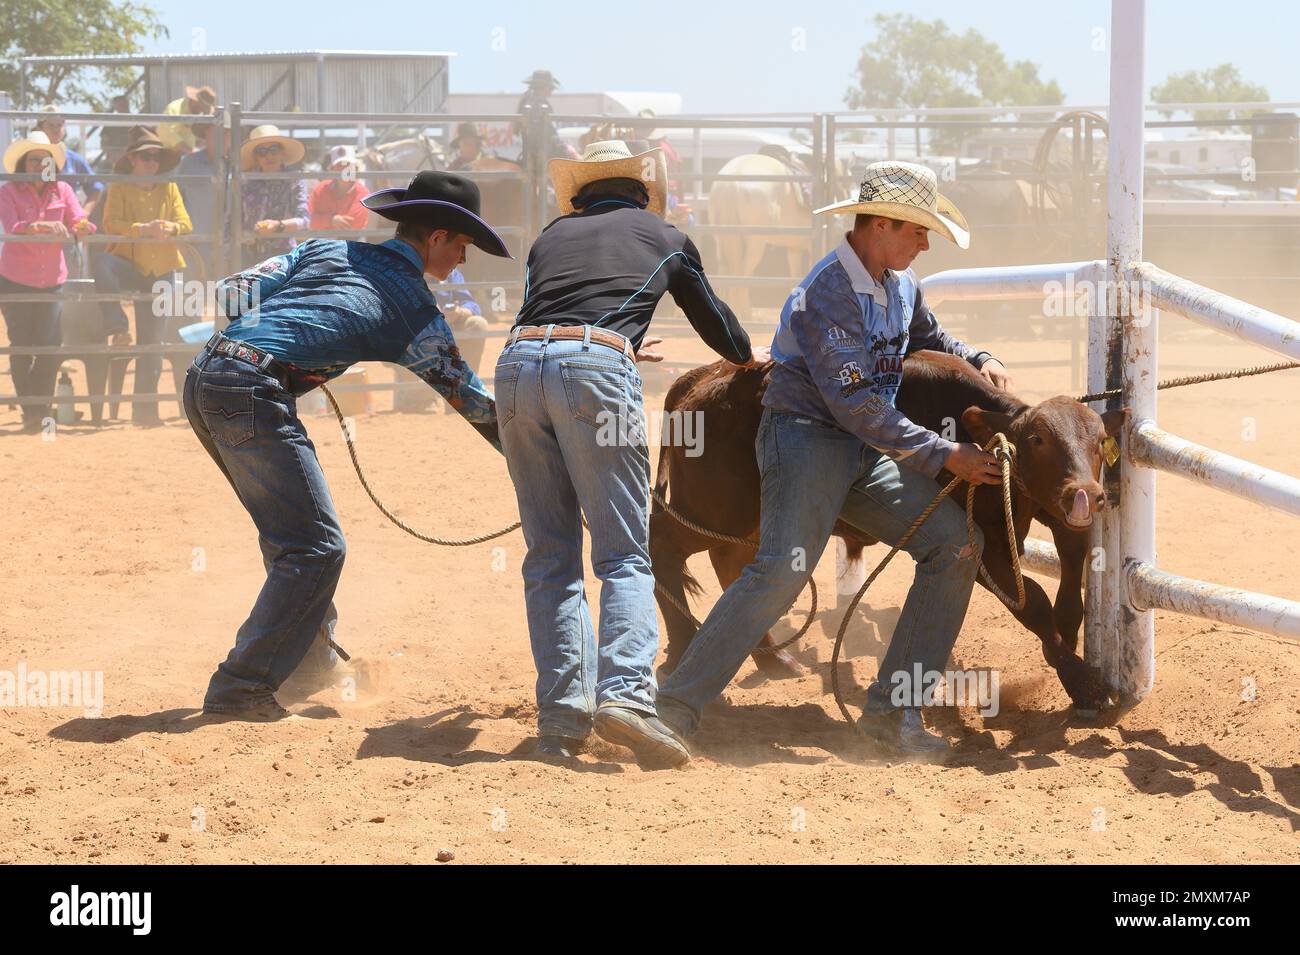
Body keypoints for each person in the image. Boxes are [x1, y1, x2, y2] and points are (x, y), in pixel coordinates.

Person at [656, 161, 1016, 760]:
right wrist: (944, 453)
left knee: (957, 545)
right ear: (881, 224)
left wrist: (981, 356)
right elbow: (855, 402)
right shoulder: (828, 291)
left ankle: (893, 713)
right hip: (803, 440)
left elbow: (931, 338)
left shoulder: (899, 285)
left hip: (856, 448)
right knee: (780, 570)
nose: (926, 243)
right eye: (919, 230)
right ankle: (674, 705)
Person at [185, 170, 511, 721]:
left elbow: (232, 291)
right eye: (461, 245)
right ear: (435, 238)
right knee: (316, 547)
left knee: (294, 537)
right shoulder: (414, 311)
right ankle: (241, 686)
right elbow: (476, 406)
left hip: (208, 375)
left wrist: (283, 333)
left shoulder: (323, 248)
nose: (463, 258)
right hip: (255, 391)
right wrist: (544, 457)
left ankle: (310, 664)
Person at [496, 140, 762, 767]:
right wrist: (747, 357)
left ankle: (561, 718)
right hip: (595, 369)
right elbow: (715, 321)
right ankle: (626, 697)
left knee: (549, 555)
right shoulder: (663, 234)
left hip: (516, 366)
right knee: (623, 554)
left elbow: (547, 310)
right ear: (641, 193)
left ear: (582, 193)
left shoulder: (549, 237)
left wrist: (602, 346)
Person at [93, 126, 191, 427]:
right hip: (129, 262)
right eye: (145, 156)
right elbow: (110, 223)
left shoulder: (170, 188)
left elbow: (185, 223)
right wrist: (142, 229)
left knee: (153, 341)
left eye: (156, 156)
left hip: (161, 267)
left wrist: (170, 228)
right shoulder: (118, 188)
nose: (151, 161)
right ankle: (117, 326)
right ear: (132, 160)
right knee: (102, 263)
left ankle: (145, 411)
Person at [0, 132, 95, 432]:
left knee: (50, 345)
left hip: (52, 279)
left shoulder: (63, 189)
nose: (41, 163)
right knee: (22, 344)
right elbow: (12, 225)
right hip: (15, 279)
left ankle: (39, 409)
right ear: (23, 164)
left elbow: (79, 219)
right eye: (34, 159)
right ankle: (32, 410)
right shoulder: (8, 192)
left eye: (46, 159)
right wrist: (41, 225)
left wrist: (82, 226)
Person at [239, 124, 309, 267]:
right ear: (256, 157)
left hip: (283, 254)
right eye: (262, 151)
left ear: (282, 152)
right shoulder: (245, 181)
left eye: (273, 149)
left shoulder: (294, 179)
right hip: (248, 254)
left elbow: (305, 220)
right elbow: (232, 220)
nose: (268, 156)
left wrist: (279, 226)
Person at [35, 106, 104, 223]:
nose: (56, 129)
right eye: (51, 125)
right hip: (39, 221)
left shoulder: (74, 159)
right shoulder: (31, 158)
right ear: (40, 129)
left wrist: (83, 214)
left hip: (67, 225)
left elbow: (95, 189)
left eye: (59, 125)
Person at [308, 145, 369, 231]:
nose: (344, 169)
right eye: (339, 165)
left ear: (355, 168)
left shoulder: (363, 192)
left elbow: (355, 224)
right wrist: (331, 220)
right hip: (323, 241)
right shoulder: (320, 189)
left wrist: (323, 220)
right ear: (332, 169)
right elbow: (309, 220)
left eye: (348, 164)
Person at [159, 85, 217, 154]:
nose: (201, 111)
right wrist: (189, 150)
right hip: (169, 154)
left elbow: (194, 138)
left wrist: (205, 143)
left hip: (187, 155)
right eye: (201, 107)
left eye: (204, 109)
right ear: (194, 100)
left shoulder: (197, 114)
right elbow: (167, 131)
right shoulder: (175, 108)